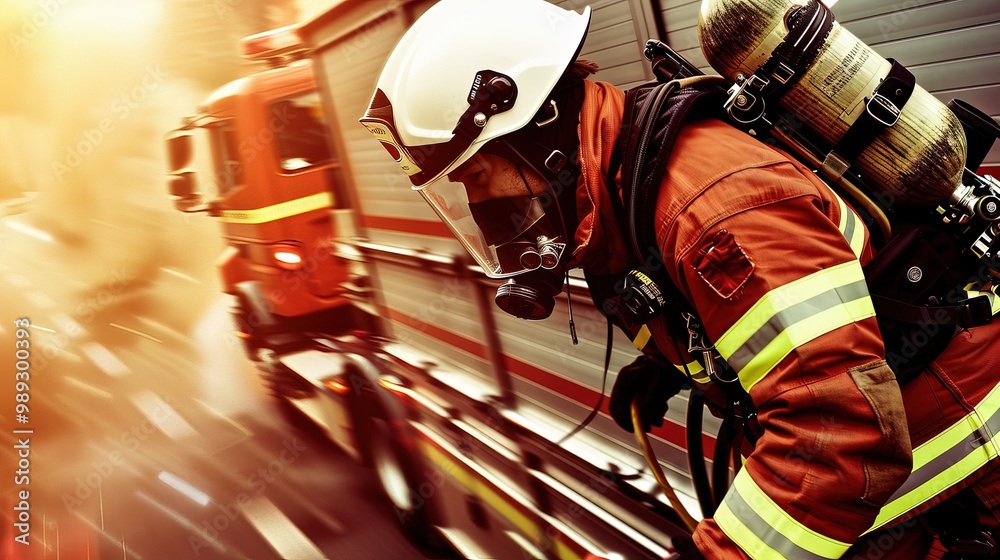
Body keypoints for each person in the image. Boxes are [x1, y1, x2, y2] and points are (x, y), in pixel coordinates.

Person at [360, 0, 1000, 557]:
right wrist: (667, 367)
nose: (480, 207)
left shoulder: (712, 209)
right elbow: (767, 319)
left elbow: (836, 431)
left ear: (538, 131)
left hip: (968, 469)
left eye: (477, 176)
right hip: (908, 486)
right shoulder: (623, 183)